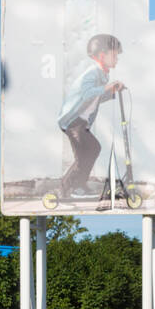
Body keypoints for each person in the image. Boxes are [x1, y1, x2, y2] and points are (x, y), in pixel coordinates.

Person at [57, 34, 125, 198]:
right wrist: (108, 87)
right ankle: (66, 189)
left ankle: (76, 186)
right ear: (102, 55)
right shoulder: (92, 73)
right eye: (114, 55)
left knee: (93, 149)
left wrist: (113, 92)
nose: (117, 59)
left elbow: (97, 98)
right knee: (84, 155)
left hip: (81, 123)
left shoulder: (103, 74)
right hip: (72, 122)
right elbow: (87, 93)